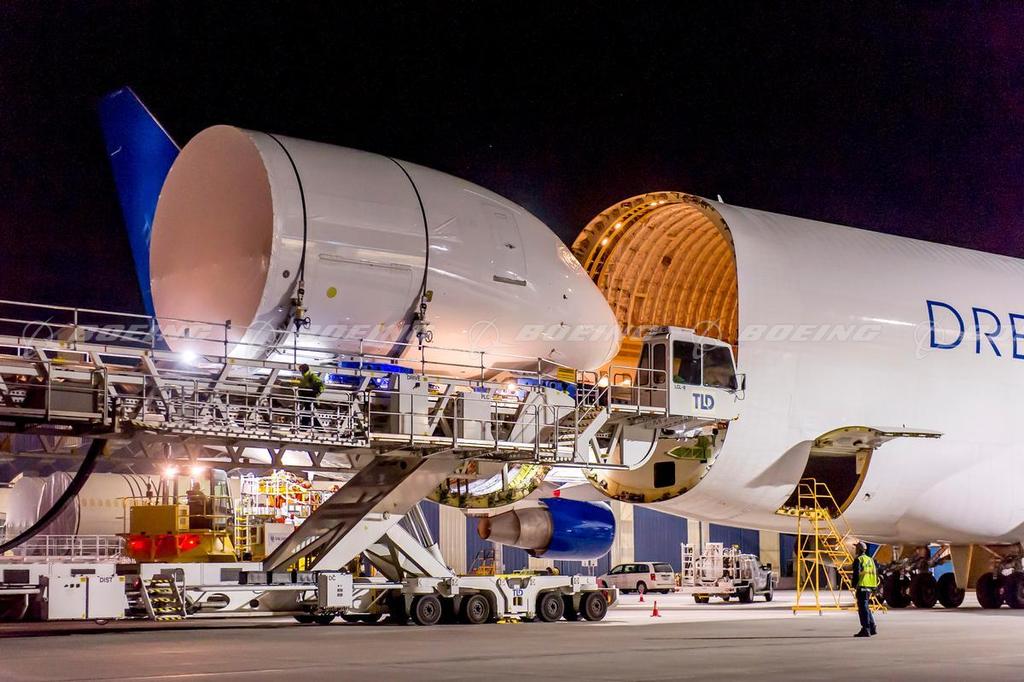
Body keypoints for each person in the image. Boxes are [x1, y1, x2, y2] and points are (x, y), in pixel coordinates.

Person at [852, 541, 879, 637]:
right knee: (866, 607)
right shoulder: (870, 560)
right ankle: (872, 627)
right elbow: (875, 574)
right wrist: (875, 588)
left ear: (858, 549)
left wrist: (853, 585)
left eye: (856, 548)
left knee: (863, 609)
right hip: (870, 587)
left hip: (862, 586)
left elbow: (856, 573)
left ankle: (866, 629)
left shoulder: (858, 560)